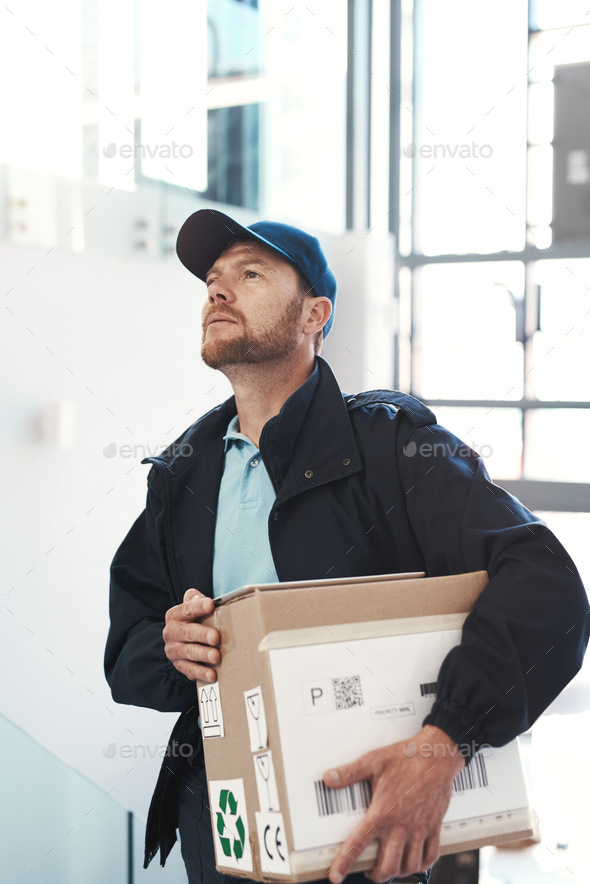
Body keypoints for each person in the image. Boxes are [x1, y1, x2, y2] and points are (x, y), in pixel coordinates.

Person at [104, 209, 589, 884]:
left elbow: (548, 591)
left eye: (250, 273)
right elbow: (125, 644)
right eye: (213, 279)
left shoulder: (395, 450)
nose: (218, 290)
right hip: (224, 832)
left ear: (313, 315)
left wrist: (445, 740)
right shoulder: (182, 475)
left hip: (376, 837)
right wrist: (167, 647)